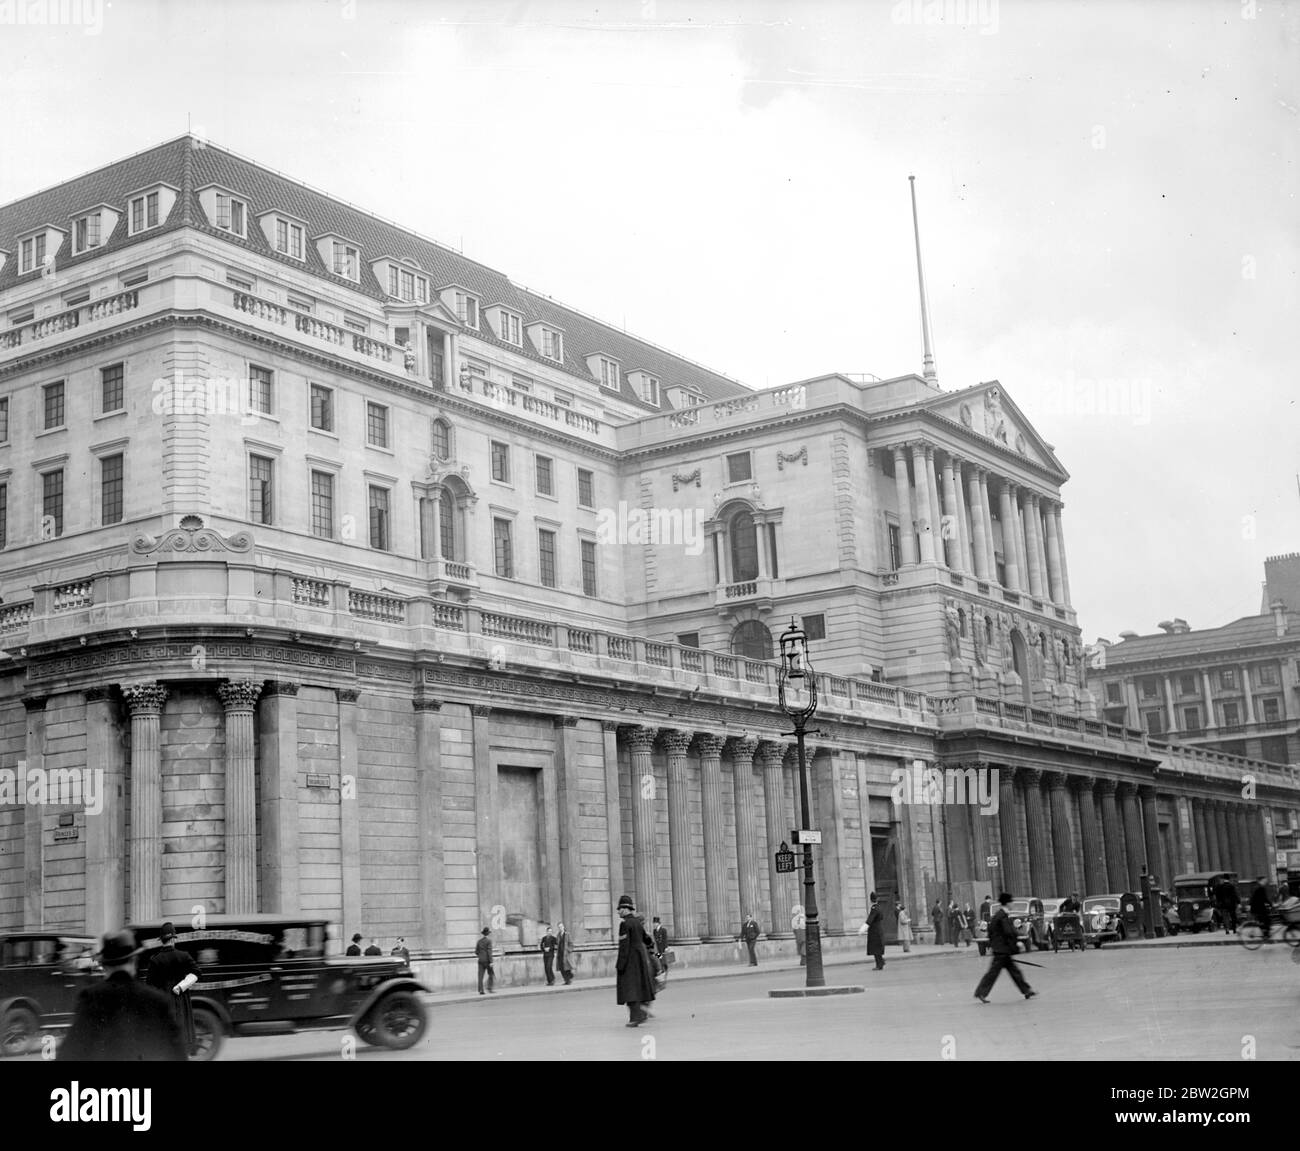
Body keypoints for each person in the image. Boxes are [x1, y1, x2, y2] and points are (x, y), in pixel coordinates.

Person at [57, 929, 188, 1061]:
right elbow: (177, 1054)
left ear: (104, 965)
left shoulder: (90, 997)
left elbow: (70, 1052)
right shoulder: (157, 1000)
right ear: (134, 961)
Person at [141, 921, 200, 1057]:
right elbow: (197, 972)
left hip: (164, 1005)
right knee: (183, 1040)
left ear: (162, 940)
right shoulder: (184, 956)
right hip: (181, 1003)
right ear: (173, 939)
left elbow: (149, 986)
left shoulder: (155, 960)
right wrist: (181, 986)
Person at [974, 893, 1037, 1004]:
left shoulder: (999, 915)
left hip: (1001, 949)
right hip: (1002, 950)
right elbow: (1009, 932)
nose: (1013, 904)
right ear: (1007, 903)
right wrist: (1017, 942)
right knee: (996, 973)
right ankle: (981, 992)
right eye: (1011, 902)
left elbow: (992, 931)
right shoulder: (1002, 916)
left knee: (1013, 971)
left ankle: (1026, 990)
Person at [615, 894, 656, 1027]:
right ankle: (640, 1014)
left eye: (620, 909)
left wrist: (620, 964)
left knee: (629, 989)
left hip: (630, 961)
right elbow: (647, 939)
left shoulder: (625, 924)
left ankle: (635, 1017)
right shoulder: (637, 923)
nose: (618, 911)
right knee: (638, 988)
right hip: (640, 960)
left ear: (626, 909)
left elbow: (624, 946)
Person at [864, 894, 885, 970]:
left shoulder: (874, 908)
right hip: (879, 929)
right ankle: (881, 962)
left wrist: (864, 928)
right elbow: (882, 917)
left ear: (870, 900)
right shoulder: (879, 907)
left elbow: (870, 919)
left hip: (874, 931)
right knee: (878, 948)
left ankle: (879, 964)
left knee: (875, 949)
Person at [475, 927, 495, 994]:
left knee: (480, 976)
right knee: (491, 974)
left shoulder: (479, 941)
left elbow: (476, 952)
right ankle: (490, 988)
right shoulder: (489, 941)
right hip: (487, 961)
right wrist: (491, 961)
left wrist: (480, 956)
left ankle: (481, 990)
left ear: (483, 934)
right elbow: (489, 952)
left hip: (480, 960)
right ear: (488, 934)